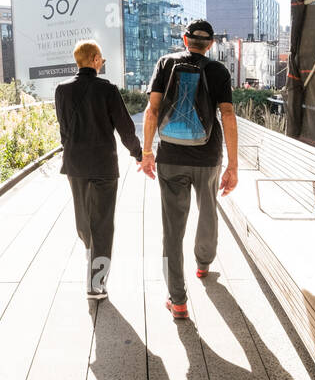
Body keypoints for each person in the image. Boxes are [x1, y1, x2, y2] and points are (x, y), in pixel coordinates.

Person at [139, 19, 238, 320]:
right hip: (208, 157)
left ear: (185, 39)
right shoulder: (218, 70)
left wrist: (146, 152)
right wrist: (233, 165)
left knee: (172, 228)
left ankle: (177, 299)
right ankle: (204, 264)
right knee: (208, 210)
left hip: (170, 155)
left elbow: (152, 110)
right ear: (210, 44)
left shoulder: (165, 63)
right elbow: (229, 115)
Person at [54, 39, 143, 300]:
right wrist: (138, 153)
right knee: (102, 224)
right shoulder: (108, 89)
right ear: (94, 59)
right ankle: (96, 282)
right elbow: (126, 128)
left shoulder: (61, 90)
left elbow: (63, 129)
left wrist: (71, 151)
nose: (102, 62)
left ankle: (91, 252)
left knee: (83, 218)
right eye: (101, 58)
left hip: (75, 164)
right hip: (104, 164)